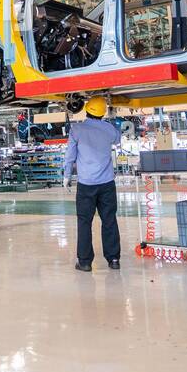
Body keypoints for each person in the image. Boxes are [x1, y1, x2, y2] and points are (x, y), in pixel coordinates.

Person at [63, 96, 122, 272]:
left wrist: (67, 176)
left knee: (84, 222)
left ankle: (85, 262)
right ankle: (113, 260)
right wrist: (112, 118)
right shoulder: (109, 129)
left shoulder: (77, 129)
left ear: (86, 108)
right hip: (107, 184)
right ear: (103, 112)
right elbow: (118, 139)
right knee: (109, 220)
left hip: (86, 185)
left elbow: (70, 156)